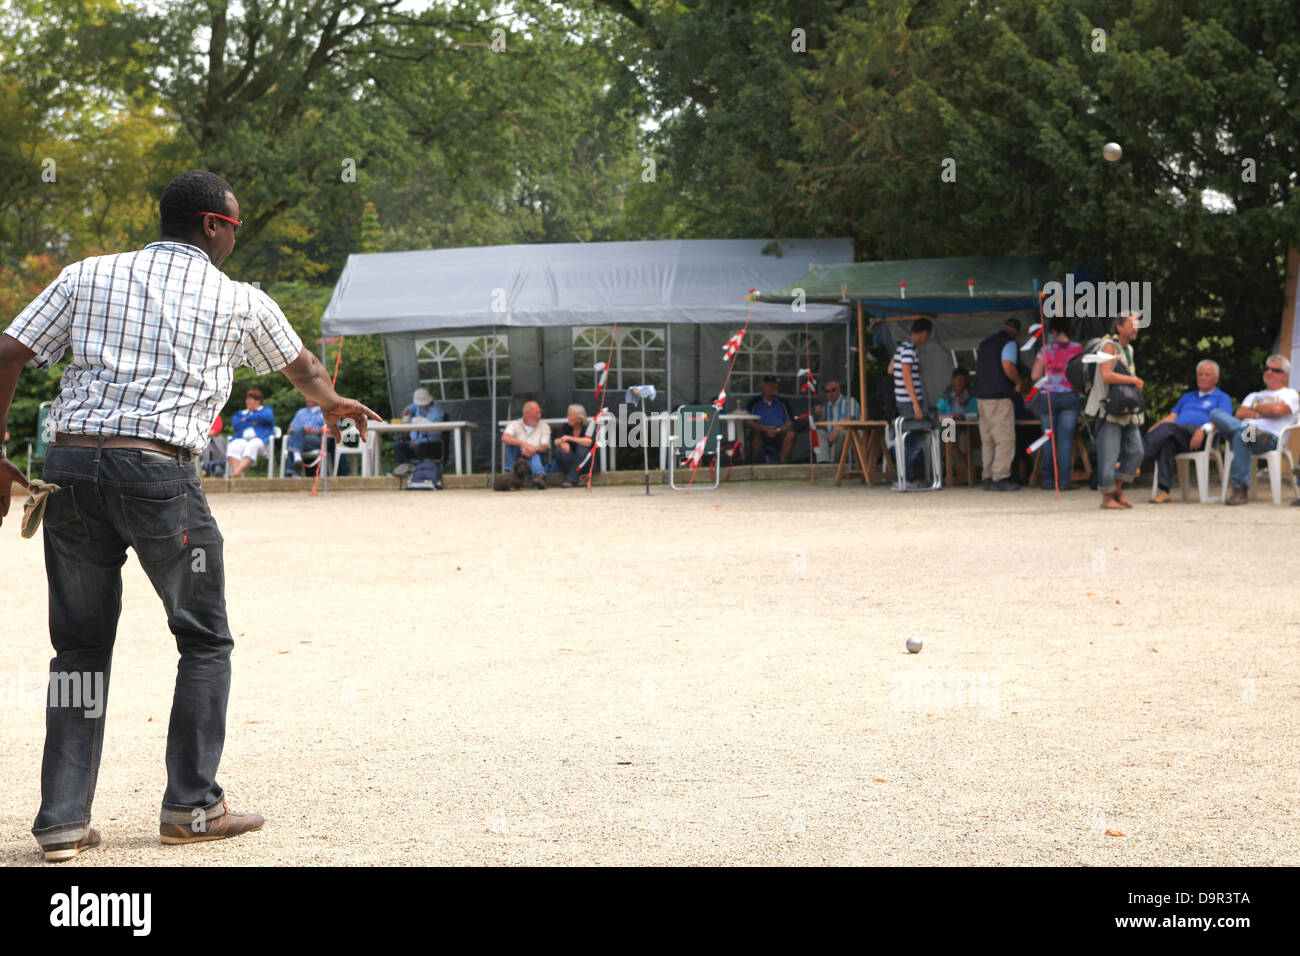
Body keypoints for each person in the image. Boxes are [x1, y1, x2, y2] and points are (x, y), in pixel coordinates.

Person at [0, 169, 380, 861]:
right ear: (212, 225)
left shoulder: (87, 275)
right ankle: (193, 807)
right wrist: (330, 402)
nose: (236, 236)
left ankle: (60, 821)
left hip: (71, 469)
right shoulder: (241, 300)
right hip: (157, 471)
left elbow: (8, 351)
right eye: (235, 226)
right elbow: (302, 369)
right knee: (204, 638)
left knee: (79, 648)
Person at [1208, 355, 1300, 505]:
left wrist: (1255, 407)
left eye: (1274, 370)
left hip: (1271, 439)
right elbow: (1240, 413)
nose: (1268, 372)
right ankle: (1252, 432)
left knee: (1240, 434)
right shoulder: (1255, 395)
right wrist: (1264, 413)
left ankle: (1240, 490)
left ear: (1284, 376)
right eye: (1267, 369)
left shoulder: (1290, 394)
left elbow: (1279, 410)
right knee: (1216, 414)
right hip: (1251, 432)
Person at [1141, 360, 1233, 502]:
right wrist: (1154, 429)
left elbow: (1223, 419)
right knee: (1167, 442)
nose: (1202, 377)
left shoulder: (1222, 397)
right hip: (1178, 434)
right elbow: (1172, 417)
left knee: (1166, 429)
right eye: (1200, 374)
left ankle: (1136, 460)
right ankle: (1164, 491)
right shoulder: (1187, 397)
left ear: (1216, 378)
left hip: (1202, 438)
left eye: (1207, 375)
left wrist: (1202, 430)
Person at [1086, 313, 1145, 510]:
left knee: (1137, 451)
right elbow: (1106, 375)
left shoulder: (1129, 349)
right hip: (1108, 409)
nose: (1135, 328)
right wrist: (1134, 381)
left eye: (1137, 324)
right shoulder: (1108, 346)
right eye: (1131, 324)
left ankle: (1117, 489)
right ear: (1119, 327)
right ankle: (1106, 497)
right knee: (1109, 455)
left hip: (1127, 410)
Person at [1030, 319, 1084, 490]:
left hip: (1048, 396)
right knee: (1066, 440)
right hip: (1070, 395)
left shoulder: (1046, 349)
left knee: (1048, 438)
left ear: (1053, 331)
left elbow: (1034, 375)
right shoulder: (1078, 349)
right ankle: (1065, 481)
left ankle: (1047, 480)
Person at [972, 317, 1025, 490]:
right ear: (1016, 332)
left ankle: (987, 477)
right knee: (1004, 439)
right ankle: (1000, 477)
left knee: (987, 440)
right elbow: (1007, 364)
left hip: (981, 398)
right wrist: (1018, 382)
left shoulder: (985, 343)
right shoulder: (1009, 343)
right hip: (999, 398)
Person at [886, 318, 937, 485]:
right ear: (924, 333)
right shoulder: (909, 350)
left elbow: (891, 369)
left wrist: (914, 367)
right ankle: (904, 476)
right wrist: (916, 404)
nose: (926, 339)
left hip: (901, 400)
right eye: (927, 335)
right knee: (917, 437)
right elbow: (906, 375)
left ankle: (905, 476)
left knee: (910, 438)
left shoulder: (902, 348)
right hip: (909, 402)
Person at [393, 386, 445, 478]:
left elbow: (434, 436)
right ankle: (405, 471)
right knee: (398, 446)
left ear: (429, 401)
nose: (420, 406)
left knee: (419, 447)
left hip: (431, 445)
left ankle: (424, 472)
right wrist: (406, 411)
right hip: (415, 443)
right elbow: (410, 408)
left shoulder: (437, 412)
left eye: (422, 403)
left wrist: (417, 442)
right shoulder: (418, 407)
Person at [936, 366, 976, 481]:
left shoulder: (972, 394)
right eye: (959, 381)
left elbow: (976, 413)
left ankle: (966, 471)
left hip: (968, 427)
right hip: (950, 425)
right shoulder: (946, 395)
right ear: (953, 380)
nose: (961, 384)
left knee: (964, 439)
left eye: (964, 380)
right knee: (948, 437)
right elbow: (939, 412)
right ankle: (956, 471)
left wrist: (967, 404)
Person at [745, 375, 796, 464]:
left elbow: (790, 422)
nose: (770, 388)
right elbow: (748, 422)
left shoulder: (783, 402)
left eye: (772, 385)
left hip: (779, 431)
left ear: (776, 387)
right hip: (761, 430)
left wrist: (777, 430)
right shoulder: (755, 401)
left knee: (791, 434)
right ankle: (756, 464)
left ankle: (781, 464)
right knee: (755, 434)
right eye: (767, 385)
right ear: (763, 386)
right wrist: (765, 428)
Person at [502, 400, 551, 489]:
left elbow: (545, 446)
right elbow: (504, 438)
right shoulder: (514, 424)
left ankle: (540, 477)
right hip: (517, 460)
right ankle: (510, 473)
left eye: (540, 413)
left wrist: (533, 450)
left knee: (535, 455)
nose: (539, 416)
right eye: (537, 413)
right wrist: (523, 444)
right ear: (526, 414)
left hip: (533, 460)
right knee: (511, 444)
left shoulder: (544, 426)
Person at [226, 388, 274, 477]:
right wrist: (255, 421)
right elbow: (236, 424)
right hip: (243, 440)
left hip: (262, 441)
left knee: (253, 444)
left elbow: (268, 418)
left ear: (258, 401)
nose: (247, 402)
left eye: (250, 400)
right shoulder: (241, 413)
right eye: (247, 399)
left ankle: (236, 473)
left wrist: (247, 419)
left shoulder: (266, 410)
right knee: (233, 445)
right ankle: (237, 476)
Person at [814, 379, 860, 466]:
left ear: (839, 390)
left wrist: (837, 429)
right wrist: (820, 415)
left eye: (833, 390)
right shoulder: (827, 406)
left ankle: (832, 463)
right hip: (831, 433)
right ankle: (823, 462)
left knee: (841, 433)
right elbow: (823, 426)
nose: (830, 393)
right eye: (827, 391)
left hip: (849, 432)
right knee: (818, 432)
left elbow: (852, 418)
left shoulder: (850, 401)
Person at [553, 403, 596, 487]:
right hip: (571, 461)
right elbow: (556, 441)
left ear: (579, 419)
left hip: (587, 464)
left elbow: (588, 442)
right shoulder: (566, 427)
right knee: (560, 451)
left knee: (582, 448)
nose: (568, 418)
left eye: (570, 415)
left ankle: (571, 479)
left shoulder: (588, 428)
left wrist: (570, 438)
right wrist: (562, 442)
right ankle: (578, 478)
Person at [285, 398, 326, 476]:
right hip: (300, 440)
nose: (307, 399)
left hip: (317, 439)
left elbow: (334, 430)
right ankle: (297, 459)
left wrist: (316, 431)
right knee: (297, 432)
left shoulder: (327, 411)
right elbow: (289, 431)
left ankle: (294, 472)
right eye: (306, 396)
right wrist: (302, 430)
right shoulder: (301, 412)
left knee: (291, 441)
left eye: (309, 396)